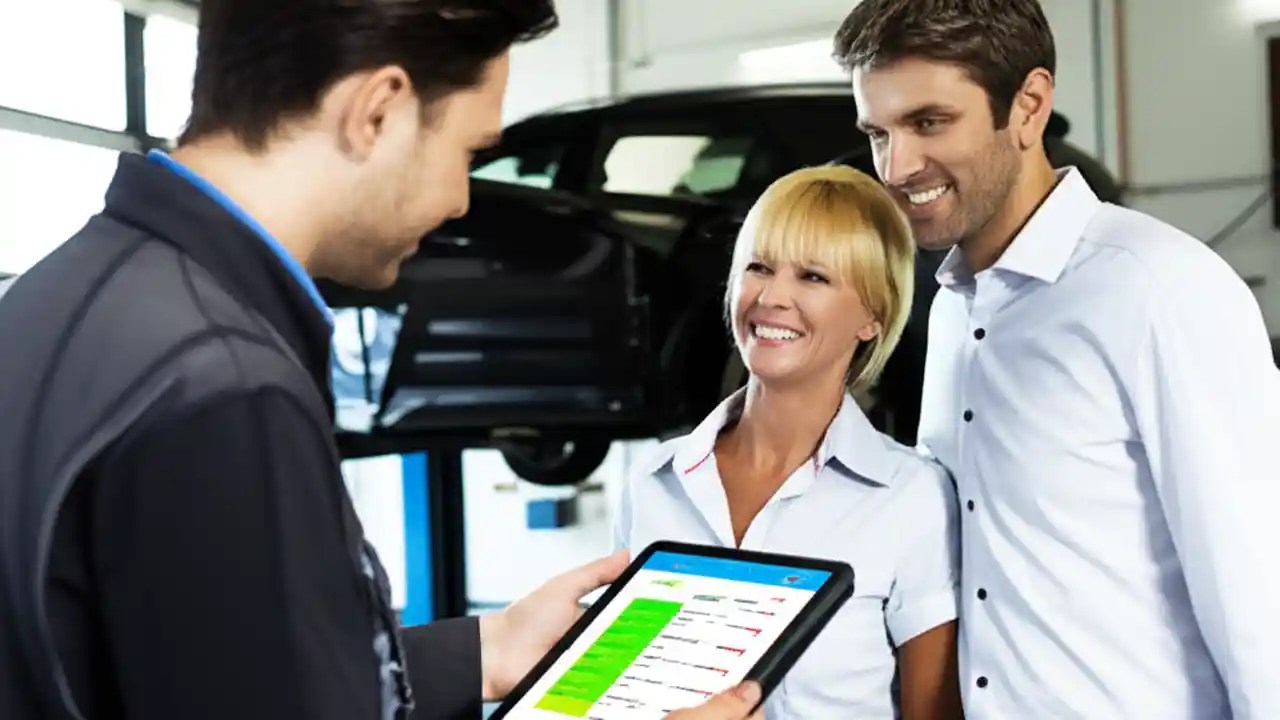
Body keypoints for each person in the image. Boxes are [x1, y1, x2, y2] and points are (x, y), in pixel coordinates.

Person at [0, 1, 760, 719]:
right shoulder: (228, 388)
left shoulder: (67, 295)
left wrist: (487, 651)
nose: (462, 200)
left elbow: (222, 666)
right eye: (469, 153)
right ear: (379, 112)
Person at [834, 0, 1280, 717]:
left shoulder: (1154, 286)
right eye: (878, 133)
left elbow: (1258, 584)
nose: (897, 167)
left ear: (1030, 105)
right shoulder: (952, 306)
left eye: (929, 123)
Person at [613, 165, 964, 720]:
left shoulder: (913, 498)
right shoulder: (653, 482)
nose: (772, 296)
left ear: (872, 316)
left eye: (813, 277)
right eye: (759, 267)